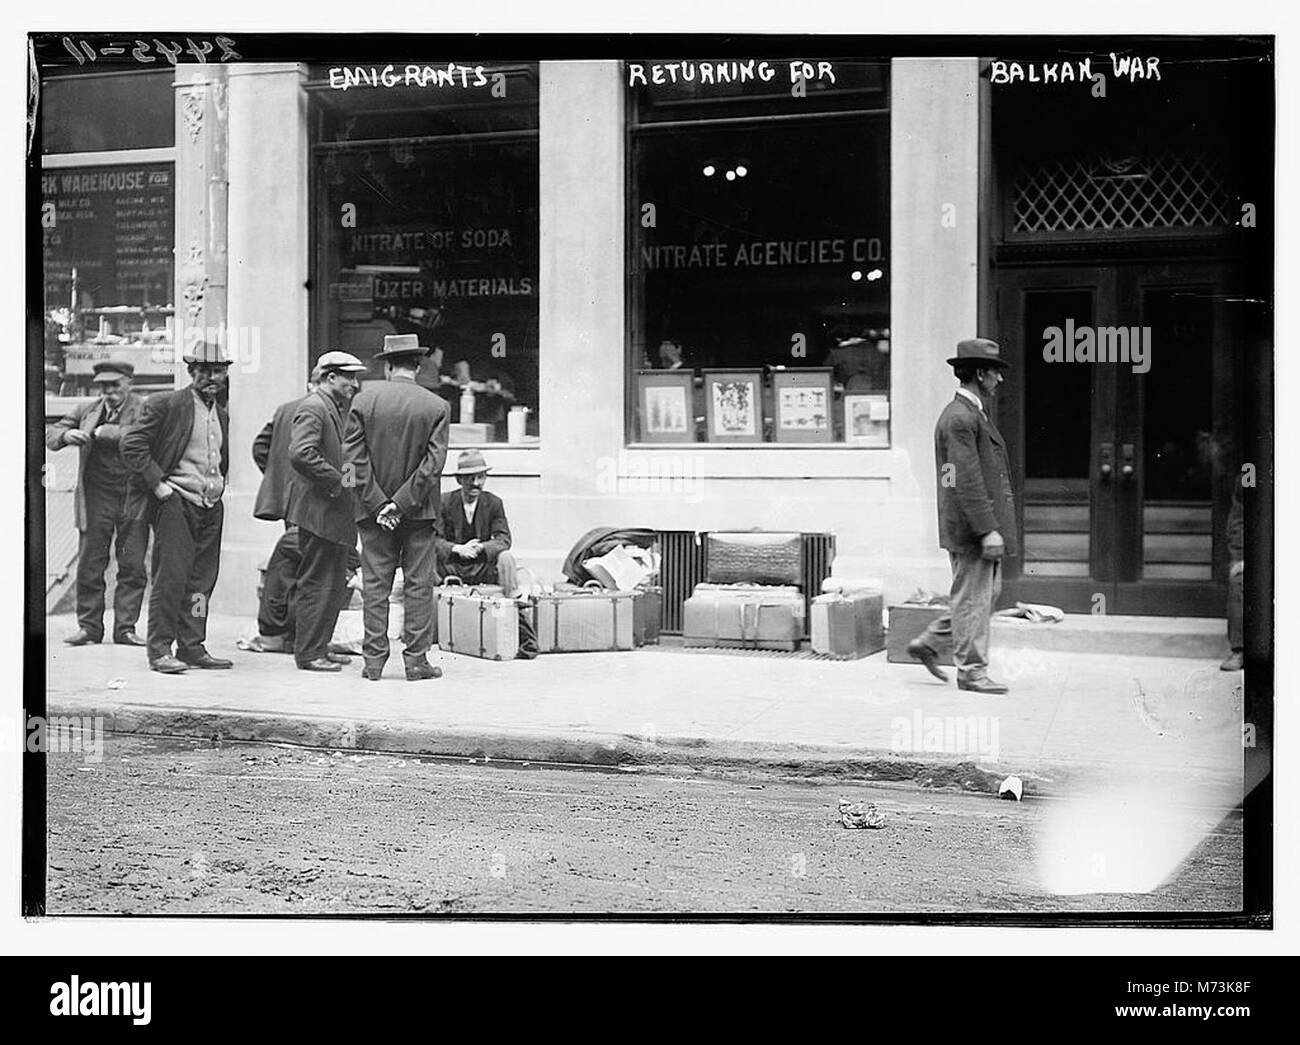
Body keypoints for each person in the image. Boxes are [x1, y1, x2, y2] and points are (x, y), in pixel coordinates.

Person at [907, 338, 1018, 694]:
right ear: (981, 374)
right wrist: (987, 530)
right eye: (995, 373)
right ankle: (971, 672)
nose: (999, 380)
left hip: (971, 524)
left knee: (982, 595)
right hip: (972, 527)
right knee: (974, 598)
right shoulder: (960, 418)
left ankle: (928, 641)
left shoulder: (967, 414)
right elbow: (965, 480)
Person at [120, 341, 233, 674]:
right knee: (171, 578)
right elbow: (132, 444)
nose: (213, 378)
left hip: (210, 505)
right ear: (192, 372)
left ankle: (192, 646)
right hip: (176, 502)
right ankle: (159, 650)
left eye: (219, 371)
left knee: (202, 582)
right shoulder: (167, 404)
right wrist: (159, 485)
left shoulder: (220, 413)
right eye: (205, 371)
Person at [343, 333, 450, 681]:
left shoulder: (363, 401)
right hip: (419, 513)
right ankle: (416, 662)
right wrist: (402, 504)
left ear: (387, 366)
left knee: (376, 587)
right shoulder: (436, 406)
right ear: (417, 366)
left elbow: (353, 461)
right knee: (419, 585)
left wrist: (379, 504)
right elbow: (433, 465)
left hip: (372, 514)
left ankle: (373, 663)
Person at [46, 359, 148, 647]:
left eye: (115, 385)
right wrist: (66, 435)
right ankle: (89, 627)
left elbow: (149, 437)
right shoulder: (88, 409)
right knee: (91, 564)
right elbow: (50, 434)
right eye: (104, 386)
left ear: (129, 384)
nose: (109, 392)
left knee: (132, 564)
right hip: (97, 497)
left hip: (133, 495)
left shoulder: (144, 408)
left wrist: (108, 433)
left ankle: (126, 628)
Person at [287, 352, 368, 672]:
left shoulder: (329, 407)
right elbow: (300, 453)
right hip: (320, 512)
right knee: (317, 583)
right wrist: (339, 483)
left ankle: (318, 646)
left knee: (333, 584)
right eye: (349, 377)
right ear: (330, 377)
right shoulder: (314, 406)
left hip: (330, 512)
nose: (355, 384)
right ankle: (308, 653)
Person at [247, 368, 320, 652]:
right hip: (318, 503)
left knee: (292, 562)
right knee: (309, 566)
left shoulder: (285, 409)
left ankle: (287, 630)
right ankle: (299, 633)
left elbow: (260, 446)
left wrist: (280, 478)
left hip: (292, 501)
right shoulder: (333, 412)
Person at [435, 449, 519, 595]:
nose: (476, 483)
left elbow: (504, 539)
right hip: (452, 564)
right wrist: (457, 548)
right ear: (459, 480)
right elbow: (433, 539)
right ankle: (430, 608)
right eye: (470, 478)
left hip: (481, 565)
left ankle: (511, 606)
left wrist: (481, 547)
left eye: (480, 477)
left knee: (506, 557)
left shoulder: (494, 502)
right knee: (426, 557)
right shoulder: (444, 502)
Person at [1221, 477, 1245, 671]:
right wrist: (1239, 557)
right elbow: (1238, 520)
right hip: (1258, 552)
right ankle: (1239, 650)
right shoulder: (1251, 471)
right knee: (1239, 580)